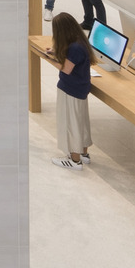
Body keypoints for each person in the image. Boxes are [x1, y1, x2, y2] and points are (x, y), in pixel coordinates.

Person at [48, 11, 93, 168]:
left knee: (71, 124)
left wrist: (51, 59)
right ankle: (83, 153)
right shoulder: (80, 43)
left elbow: (66, 69)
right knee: (81, 122)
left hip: (70, 90)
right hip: (80, 90)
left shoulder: (74, 48)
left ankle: (74, 160)